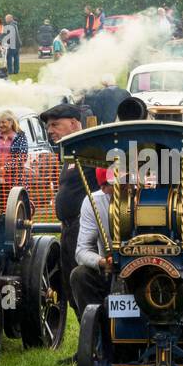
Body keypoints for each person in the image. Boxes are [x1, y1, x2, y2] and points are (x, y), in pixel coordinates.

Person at [42, 102, 97, 338]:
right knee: (69, 285)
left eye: (56, 125)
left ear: (74, 123)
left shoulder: (92, 152)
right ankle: (87, 342)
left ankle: (95, 342)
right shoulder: (70, 153)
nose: (50, 130)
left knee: (81, 282)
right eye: (48, 126)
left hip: (84, 229)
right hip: (68, 229)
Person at [70, 166, 115, 313]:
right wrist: (102, 262)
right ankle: (97, 330)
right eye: (106, 186)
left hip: (149, 270)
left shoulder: (149, 197)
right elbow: (82, 251)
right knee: (80, 275)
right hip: (111, 271)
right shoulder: (93, 201)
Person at [0, 110, 28, 196]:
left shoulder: (20, 136)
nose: (0, 125)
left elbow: (22, 157)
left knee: (13, 202)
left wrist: (5, 169)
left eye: (3, 122)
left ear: (11, 122)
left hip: (15, 178)